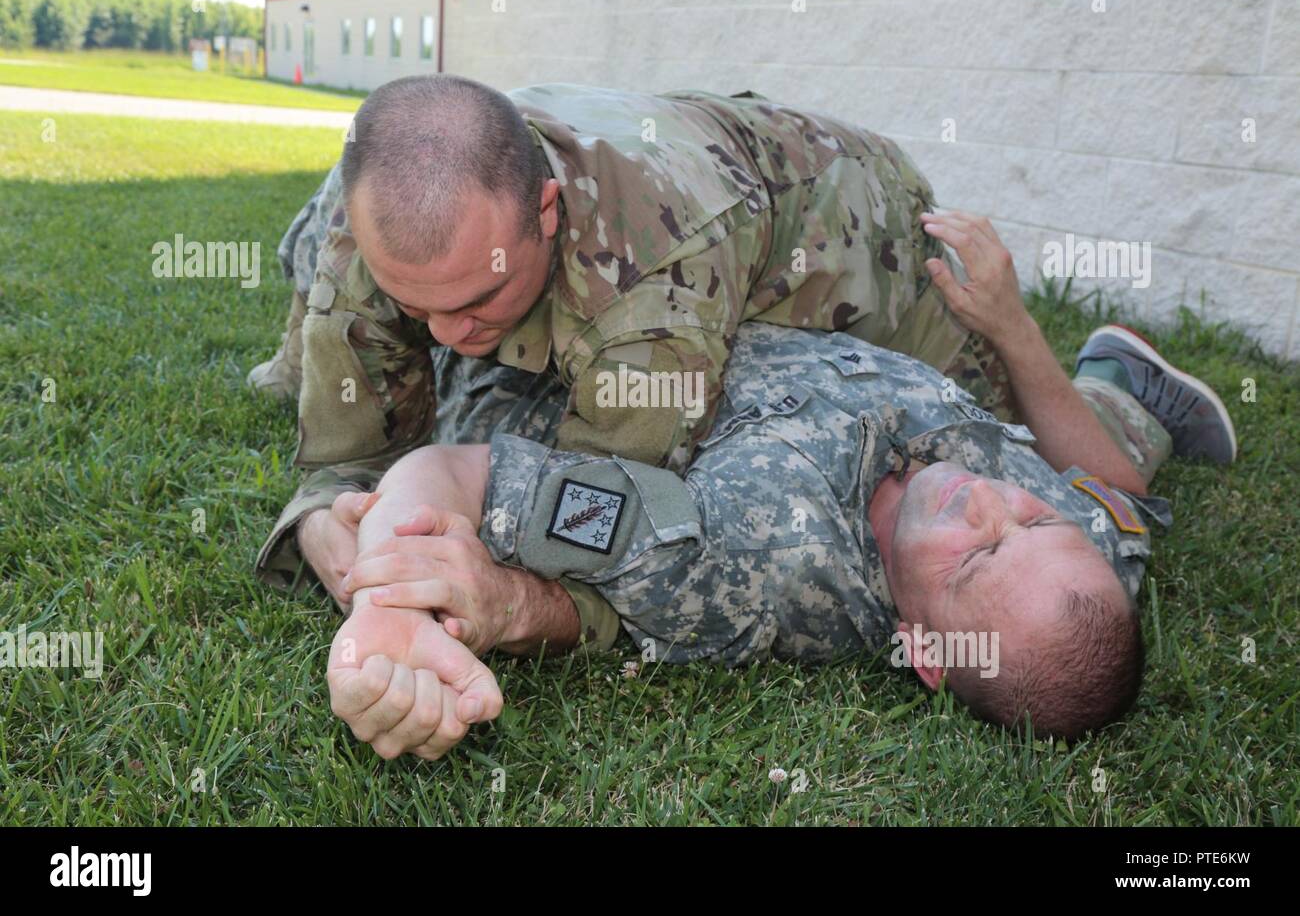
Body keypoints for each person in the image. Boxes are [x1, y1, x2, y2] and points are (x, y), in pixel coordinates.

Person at [321, 215, 1237, 757]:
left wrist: (387, 595)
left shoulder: (760, 557)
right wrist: (1012, 326)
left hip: (548, 340)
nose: (992, 501)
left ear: (920, 652)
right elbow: (1115, 491)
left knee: (369, 239)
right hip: (739, 297)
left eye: (977, 556)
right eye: (1033, 517)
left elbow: (452, 475)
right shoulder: (1076, 577)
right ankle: (1119, 377)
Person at [248, 75, 1024, 648]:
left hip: (861, 221)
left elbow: (611, 538)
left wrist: (501, 600)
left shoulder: (652, 291)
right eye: (418, 308)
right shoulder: (376, 237)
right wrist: (323, 518)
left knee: (1007, 434)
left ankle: (1121, 384)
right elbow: (347, 462)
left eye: (477, 299)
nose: (448, 338)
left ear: (546, 215)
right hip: (686, 145)